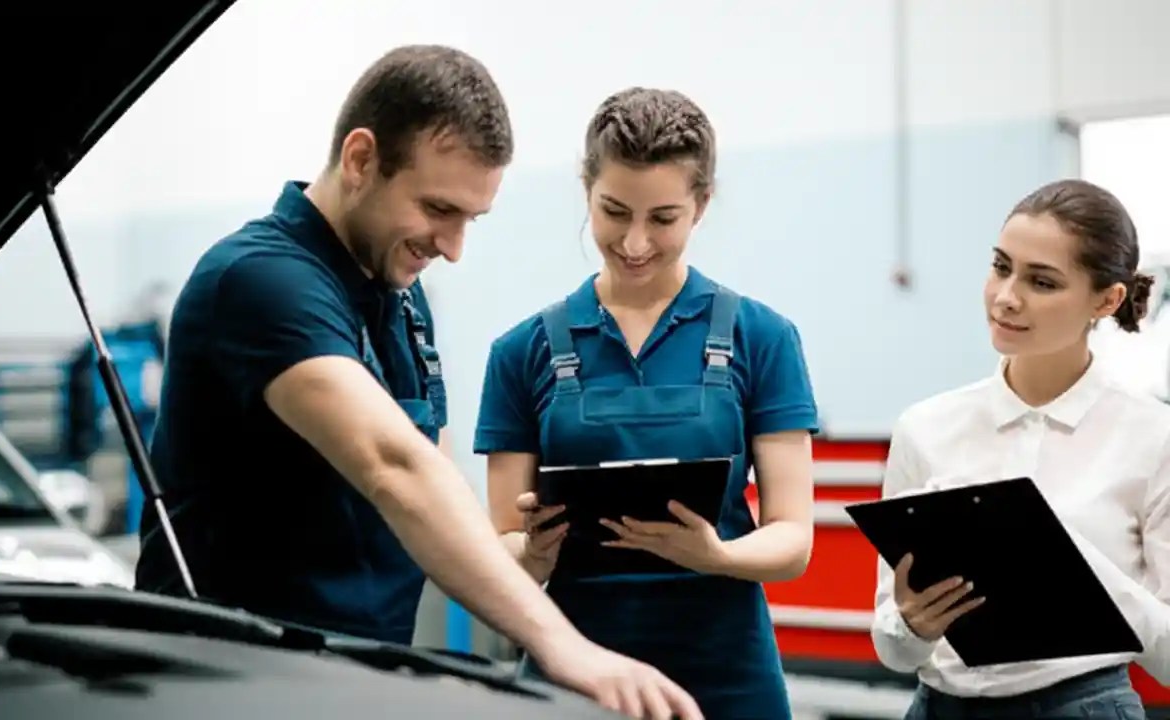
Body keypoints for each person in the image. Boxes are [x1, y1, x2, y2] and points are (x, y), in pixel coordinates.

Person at [132, 45, 702, 720]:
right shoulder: (259, 280)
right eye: (438, 208)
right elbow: (394, 466)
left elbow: (433, 477)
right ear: (360, 160)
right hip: (225, 687)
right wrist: (564, 648)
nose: (453, 247)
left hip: (356, 682)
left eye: (470, 220)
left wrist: (525, 557)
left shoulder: (399, 293)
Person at [475, 86, 820, 719]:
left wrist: (716, 556)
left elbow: (793, 539)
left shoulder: (763, 338)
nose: (635, 243)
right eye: (614, 212)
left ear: (701, 205)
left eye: (663, 219)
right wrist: (532, 552)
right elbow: (499, 553)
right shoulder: (521, 352)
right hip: (575, 677)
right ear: (586, 189)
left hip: (728, 677)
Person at [871, 178, 1170, 719]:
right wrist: (912, 625)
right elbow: (894, 652)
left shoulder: (1154, 437)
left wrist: (1067, 559)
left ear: (1107, 300)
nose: (1006, 297)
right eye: (1001, 267)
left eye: (1042, 281)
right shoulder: (924, 428)